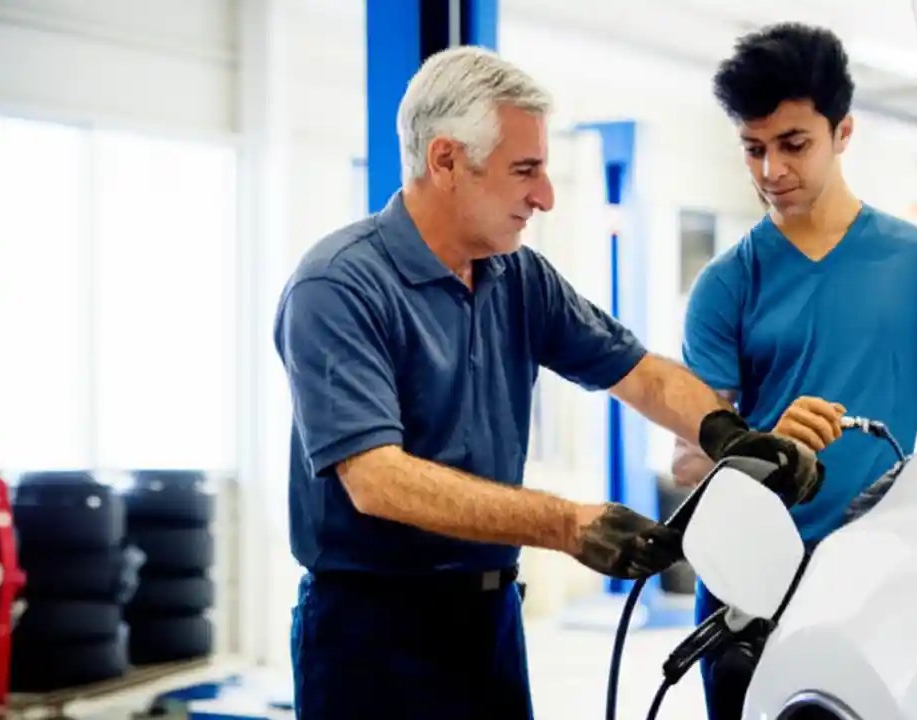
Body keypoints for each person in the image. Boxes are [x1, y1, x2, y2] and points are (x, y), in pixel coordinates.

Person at [273, 46, 823, 719]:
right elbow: (377, 479)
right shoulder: (339, 286)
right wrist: (567, 524)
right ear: (445, 160)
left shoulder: (518, 278)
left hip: (490, 621)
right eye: (525, 170)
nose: (546, 196)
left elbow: (639, 372)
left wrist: (730, 435)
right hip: (370, 636)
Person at [672, 23, 917, 718]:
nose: (772, 171)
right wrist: (760, 439)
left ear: (843, 131)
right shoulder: (726, 284)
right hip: (745, 585)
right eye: (753, 149)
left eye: (793, 144)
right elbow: (685, 463)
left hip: (874, 584)